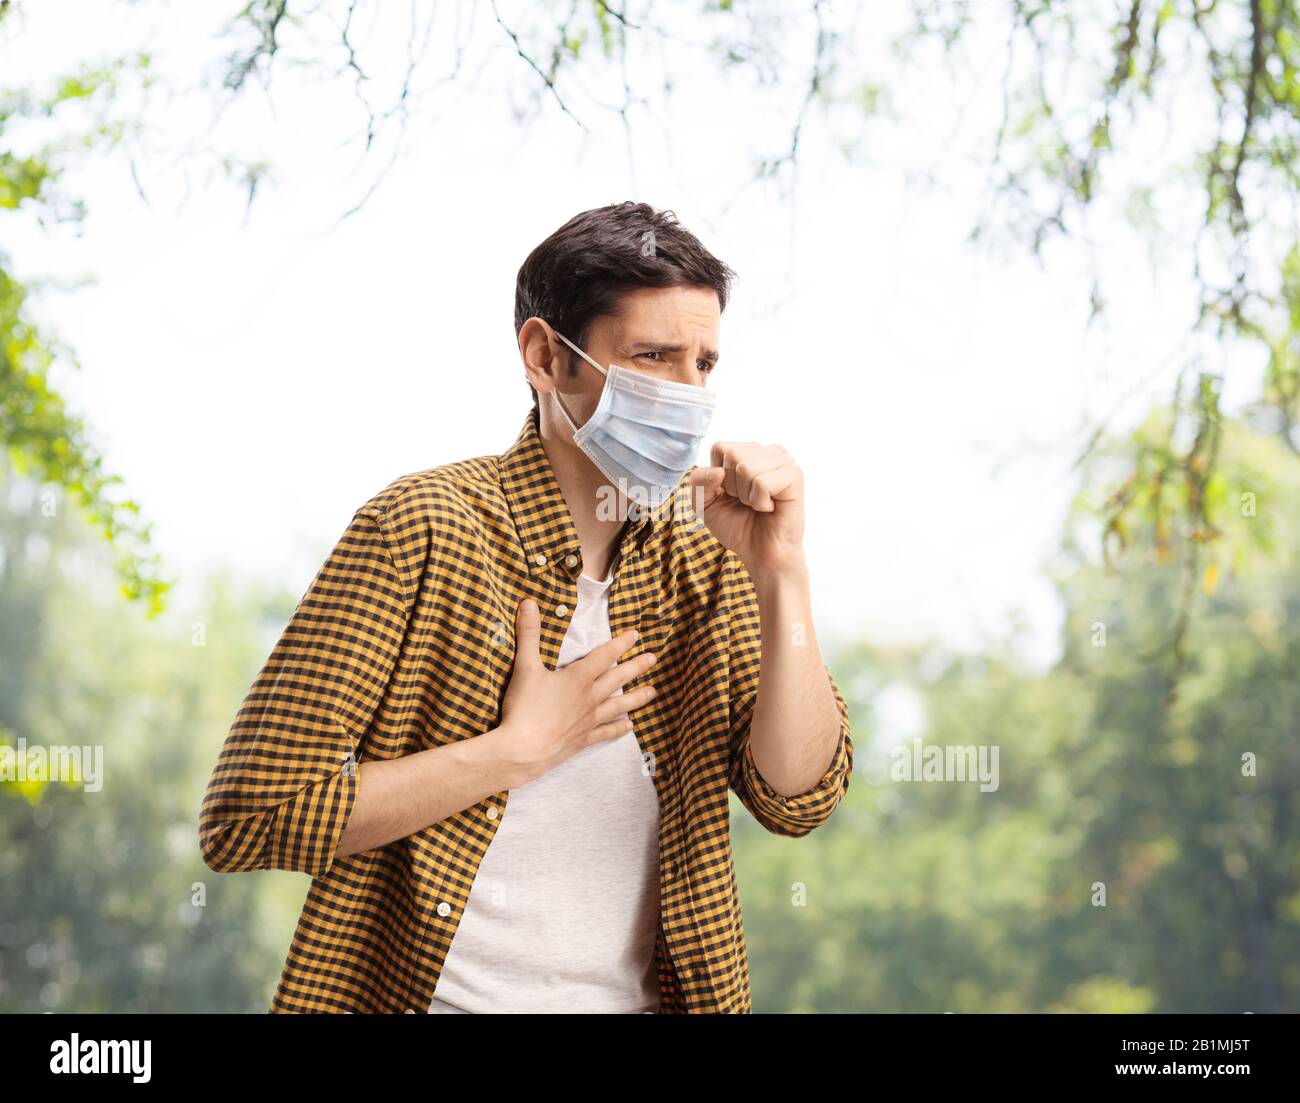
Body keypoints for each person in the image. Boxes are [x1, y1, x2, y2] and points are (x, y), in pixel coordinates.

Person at [198, 201, 854, 1014]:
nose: (688, 396)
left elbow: (798, 795)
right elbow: (252, 815)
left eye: (705, 365)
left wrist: (781, 568)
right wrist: (517, 750)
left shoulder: (710, 558)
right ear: (546, 356)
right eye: (653, 357)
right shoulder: (420, 529)